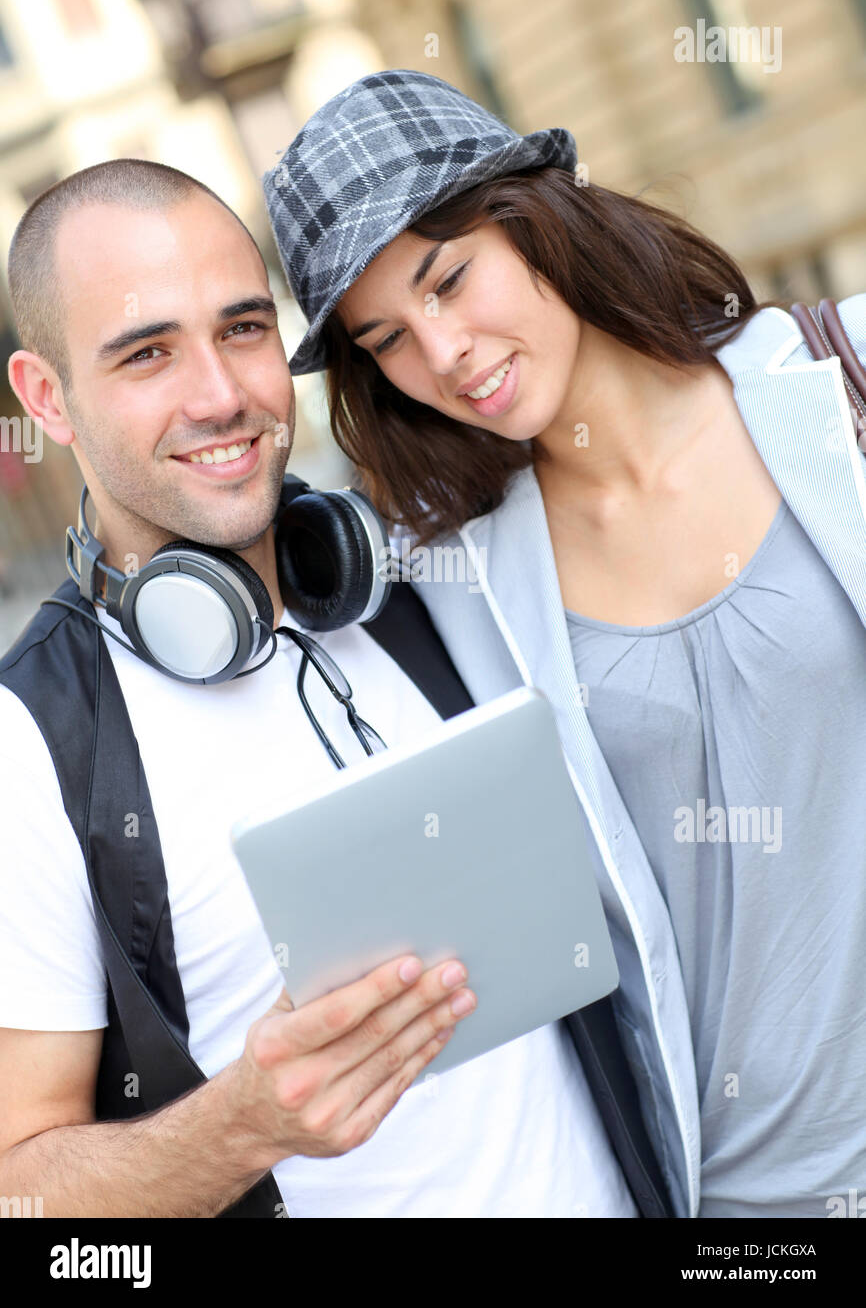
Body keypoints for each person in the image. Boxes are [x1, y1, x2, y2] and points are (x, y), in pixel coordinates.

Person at [0, 158, 666, 1219]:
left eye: (243, 328)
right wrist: (247, 1122)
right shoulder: (30, 743)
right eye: (147, 353)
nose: (220, 395)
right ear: (48, 398)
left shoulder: (404, 585)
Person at [264, 68, 866, 1218]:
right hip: (739, 1204)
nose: (441, 354)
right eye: (386, 337)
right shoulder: (444, 590)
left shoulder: (834, 385)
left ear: (541, 210)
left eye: (450, 277)